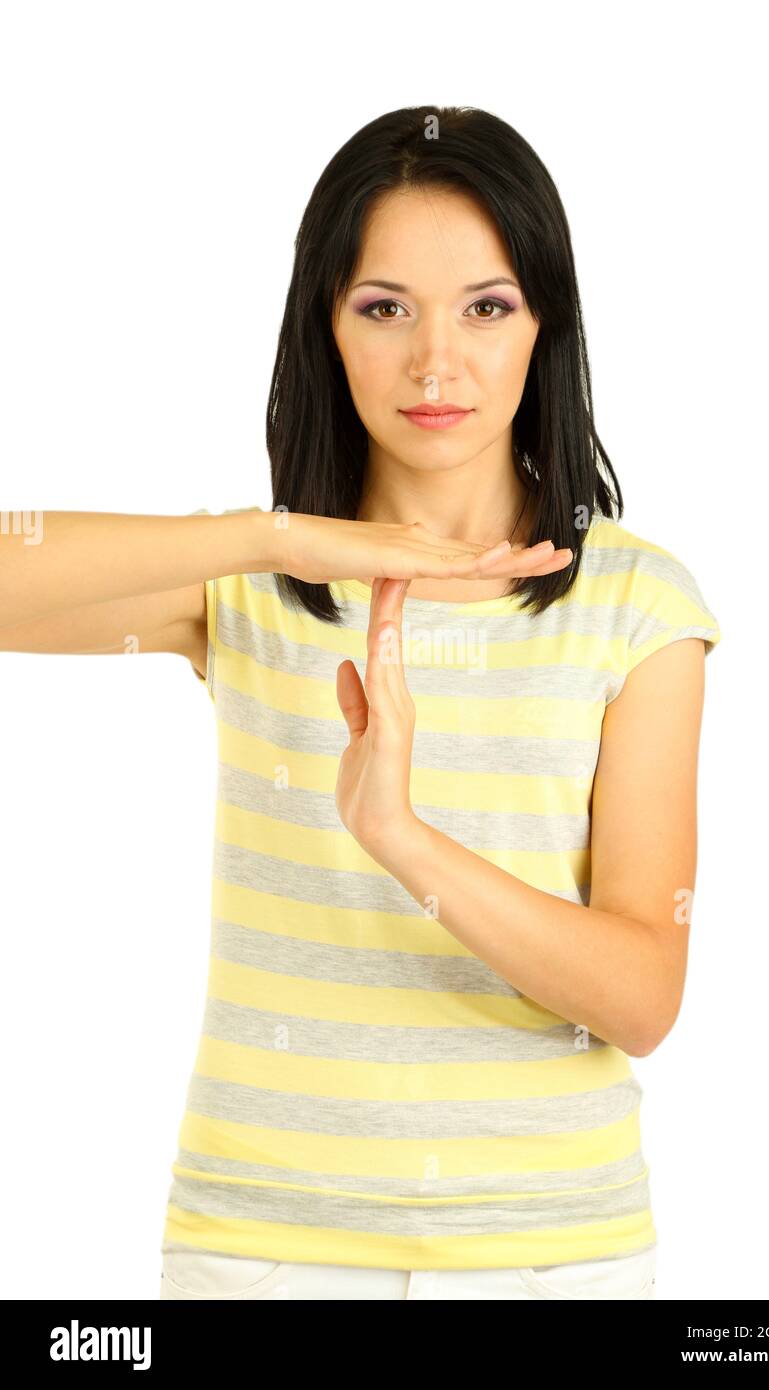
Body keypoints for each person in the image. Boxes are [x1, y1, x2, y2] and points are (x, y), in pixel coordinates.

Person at [1, 106, 720, 1301]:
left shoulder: (635, 603)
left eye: (485, 306)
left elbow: (642, 996)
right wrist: (273, 529)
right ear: (325, 328)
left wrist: (401, 837)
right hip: (264, 1248)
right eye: (383, 307)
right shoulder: (250, 586)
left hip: (548, 1252)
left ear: (543, 323)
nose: (436, 362)